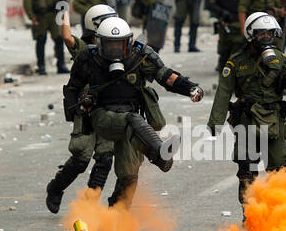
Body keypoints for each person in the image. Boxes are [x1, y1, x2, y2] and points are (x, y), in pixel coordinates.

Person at [64, 17, 205, 207]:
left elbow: (167, 77)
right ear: (99, 43)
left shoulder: (141, 55)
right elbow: (72, 89)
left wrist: (190, 88)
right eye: (110, 45)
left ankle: (116, 218)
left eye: (119, 45)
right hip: (103, 118)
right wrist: (79, 108)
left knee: (128, 175)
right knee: (133, 119)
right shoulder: (89, 59)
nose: (115, 50)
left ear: (128, 42)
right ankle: (160, 155)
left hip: (132, 126)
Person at [207, 13, 286, 208]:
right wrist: (215, 123)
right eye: (262, 34)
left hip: (273, 121)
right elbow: (223, 92)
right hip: (247, 121)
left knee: (279, 167)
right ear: (251, 35)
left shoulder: (279, 58)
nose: (267, 37)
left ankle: (278, 210)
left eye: (270, 33)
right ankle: (250, 213)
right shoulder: (236, 61)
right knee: (247, 170)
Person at [47, 5, 121, 213]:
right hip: (87, 110)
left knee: (105, 157)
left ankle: (89, 202)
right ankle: (55, 187)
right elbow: (67, 37)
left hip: (108, 110)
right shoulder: (86, 49)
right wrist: (63, 9)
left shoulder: (116, 46)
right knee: (81, 158)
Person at [23, 0, 68, 75]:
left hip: (53, 13)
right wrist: (31, 16)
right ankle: (41, 65)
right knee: (41, 40)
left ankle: (61, 64)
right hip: (40, 15)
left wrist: (63, 9)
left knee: (59, 39)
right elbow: (27, 0)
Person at [208, 0, 248, 74]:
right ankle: (224, 75)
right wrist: (222, 13)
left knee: (240, 51)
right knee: (224, 51)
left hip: (240, 22)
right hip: (225, 23)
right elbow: (210, 3)